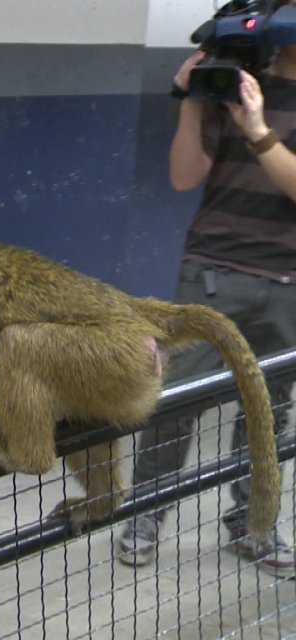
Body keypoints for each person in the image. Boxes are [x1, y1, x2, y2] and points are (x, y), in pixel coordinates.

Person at [116, 40, 296, 579]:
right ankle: (144, 517)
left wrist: (258, 130)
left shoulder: (253, 106)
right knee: (174, 399)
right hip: (211, 270)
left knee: (268, 409)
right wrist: (194, 99)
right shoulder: (231, 84)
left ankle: (253, 524)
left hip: (288, 277)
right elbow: (183, 176)